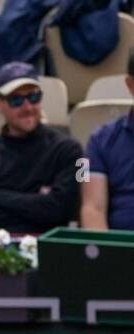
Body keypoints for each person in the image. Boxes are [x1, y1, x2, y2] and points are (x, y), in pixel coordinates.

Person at [0, 62, 84, 236]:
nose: (27, 107)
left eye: (33, 97)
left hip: (46, 246)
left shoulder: (69, 150)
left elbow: (62, 210)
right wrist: (39, 203)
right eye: (16, 100)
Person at [80, 52, 134, 232]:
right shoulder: (98, 140)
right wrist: (106, 255)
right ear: (130, 84)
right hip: (121, 252)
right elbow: (92, 209)